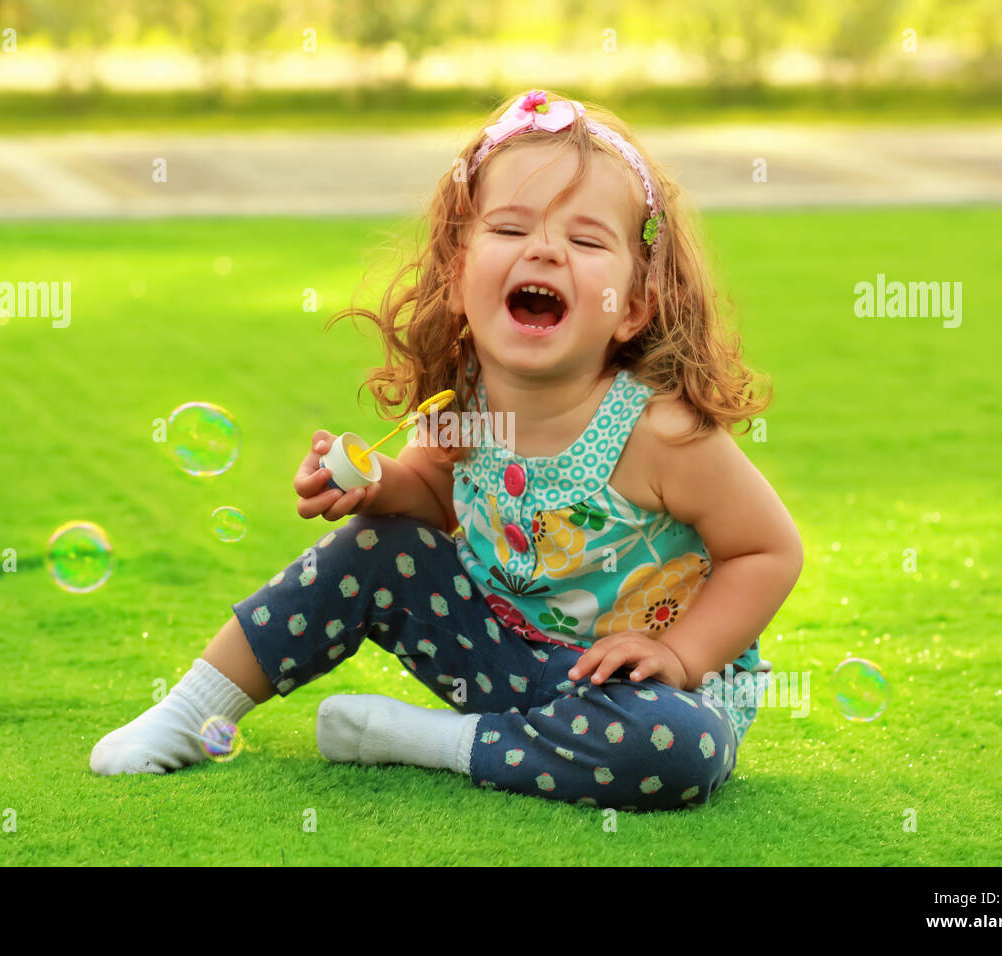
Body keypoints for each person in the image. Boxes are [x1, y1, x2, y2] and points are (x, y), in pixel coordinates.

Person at [90, 89, 804, 812]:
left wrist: (682, 656)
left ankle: (432, 743)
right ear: (459, 277)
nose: (546, 249)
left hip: (638, 698)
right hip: (496, 657)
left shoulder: (661, 432)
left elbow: (768, 551)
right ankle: (188, 713)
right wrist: (373, 486)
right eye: (509, 227)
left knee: (682, 751)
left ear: (637, 308)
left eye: (587, 242)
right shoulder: (467, 403)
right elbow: (435, 499)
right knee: (374, 544)